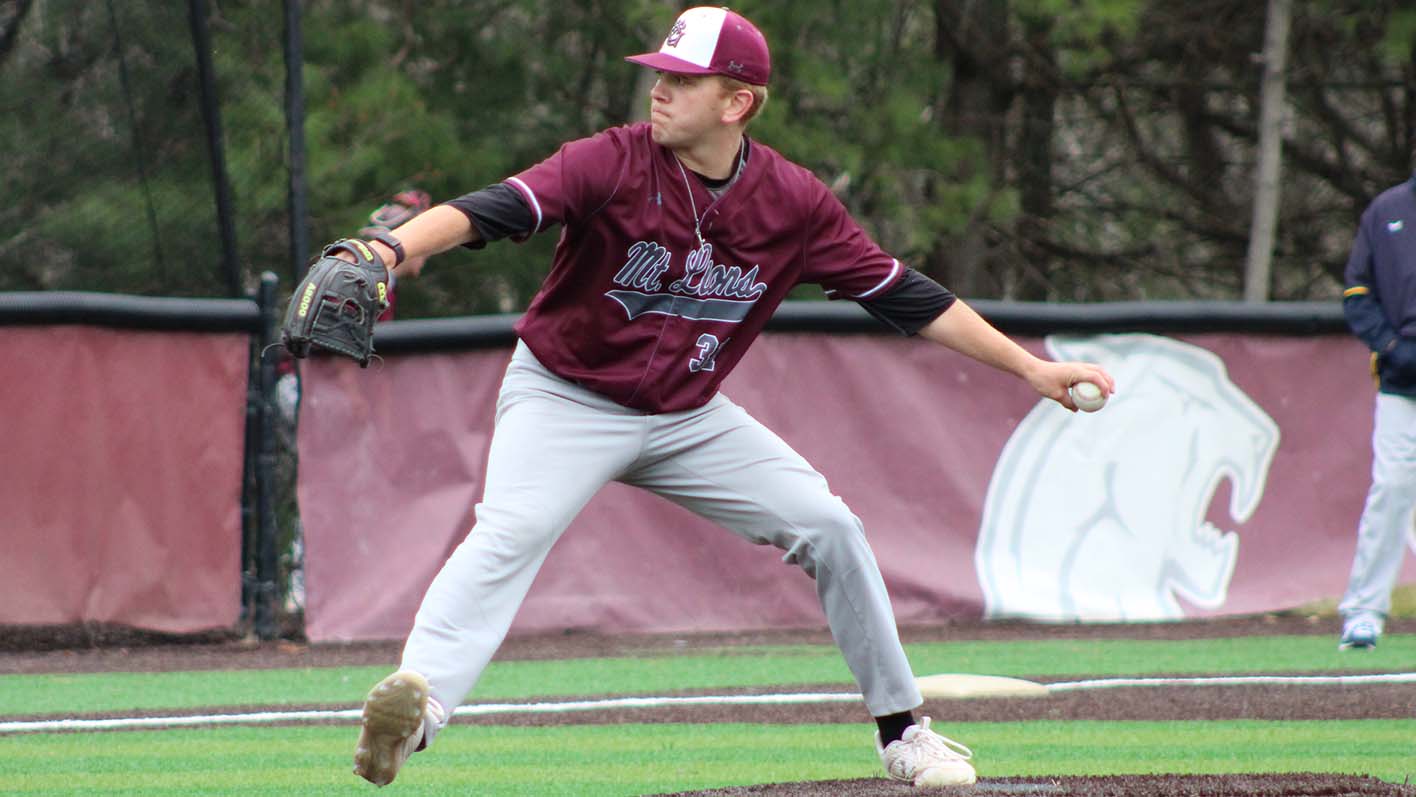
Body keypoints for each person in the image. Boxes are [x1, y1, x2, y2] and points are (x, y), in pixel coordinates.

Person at [345, 6, 1114, 789]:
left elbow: (904, 295)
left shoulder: (793, 202)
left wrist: (1030, 368)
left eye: (684, 79)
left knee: (832, 526)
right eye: (661, 74)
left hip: (686, 416)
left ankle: (905, 733)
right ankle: (419, 714)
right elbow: (495, 208)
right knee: (511, 530)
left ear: (738, 102)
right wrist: (391, 246)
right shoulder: (610, 161)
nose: (661, 90)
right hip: (563, 398)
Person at [1337, 168, 1416, 651]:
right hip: (1402, 382)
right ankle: (1364, 611)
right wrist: (1389, 344)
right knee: (1390, 488)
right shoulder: (1387, 210)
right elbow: (1356, 291)